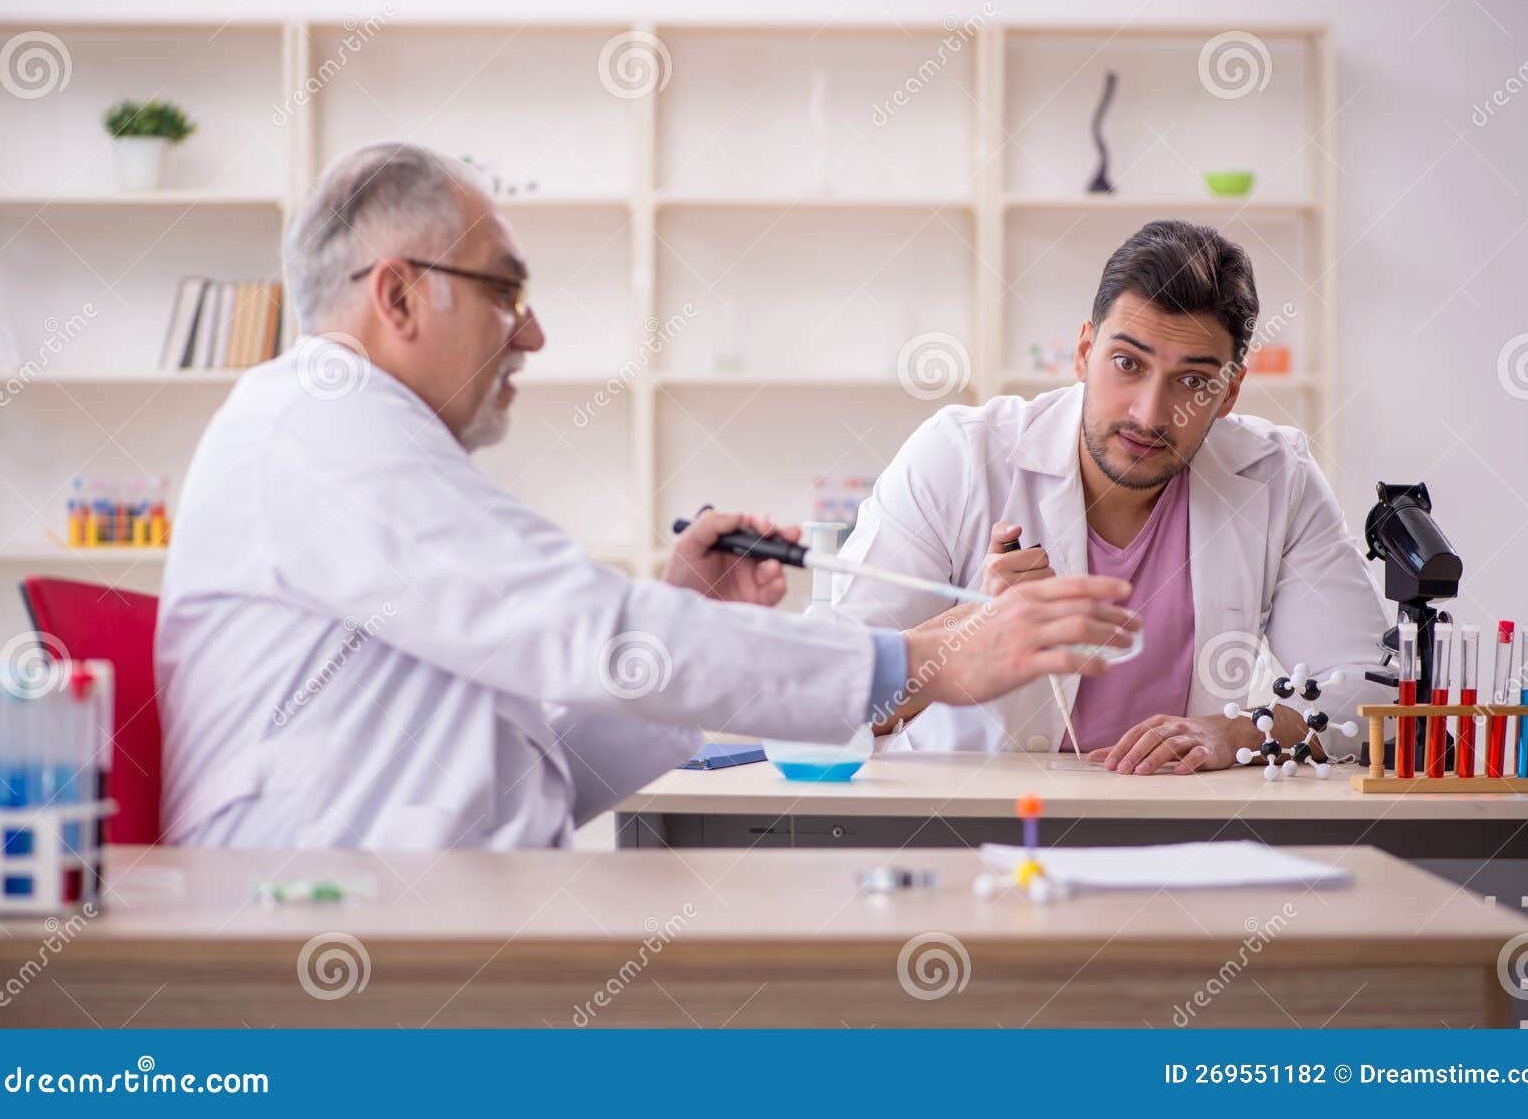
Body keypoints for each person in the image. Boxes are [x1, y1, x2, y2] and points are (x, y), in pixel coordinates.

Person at [156, 142, 1138, 849]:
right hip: (316, 938)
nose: (530, 335)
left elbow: (547, 774)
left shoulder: (371, 447)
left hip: (420, 915)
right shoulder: (322, 428)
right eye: (505, 290)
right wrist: (917, 664)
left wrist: (679, 614)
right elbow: (582, 626)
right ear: (400, 296)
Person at [833, 219, 1392, 773]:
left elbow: (1372, 694)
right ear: (1083, 353)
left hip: (1176, 832)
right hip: (967, 822)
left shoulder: (1277, 477)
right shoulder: (960, 455)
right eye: (1128, 364)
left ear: (1229, 393)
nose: (1149, 414)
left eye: (1193, 380)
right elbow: (830, 696)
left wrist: (1238, 733)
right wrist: (974, 629)